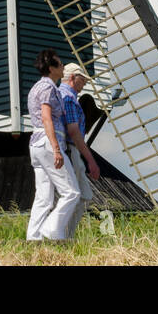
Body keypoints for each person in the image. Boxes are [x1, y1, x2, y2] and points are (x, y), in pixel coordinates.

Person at [25, 49, 80, 241]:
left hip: (36, 144)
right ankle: (51, 230)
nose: (63, 66)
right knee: (71, 192)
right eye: (60, 63)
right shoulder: (49, 88)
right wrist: (56, 149)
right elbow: (47, 118)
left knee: (44, 197)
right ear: (51, 68)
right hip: (49, 142)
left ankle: (34, 237)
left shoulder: (35, 88)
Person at [58, 62, 101, 237]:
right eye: (82, 80)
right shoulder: (67, 97)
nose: (84, 84)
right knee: (73, 195)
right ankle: (59, 235)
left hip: (73, 150)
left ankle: (66, 235)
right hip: (69, 149)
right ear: (72, 78)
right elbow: (73, 131)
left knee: (83, 195)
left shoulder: (70, 97)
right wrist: (91, 160)